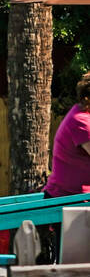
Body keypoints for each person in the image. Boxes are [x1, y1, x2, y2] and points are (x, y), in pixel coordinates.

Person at [43, 71, 90, 258]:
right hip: (69, 201)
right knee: (73, 265)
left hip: (77, 200)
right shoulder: (81, 121)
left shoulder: (83, 114)